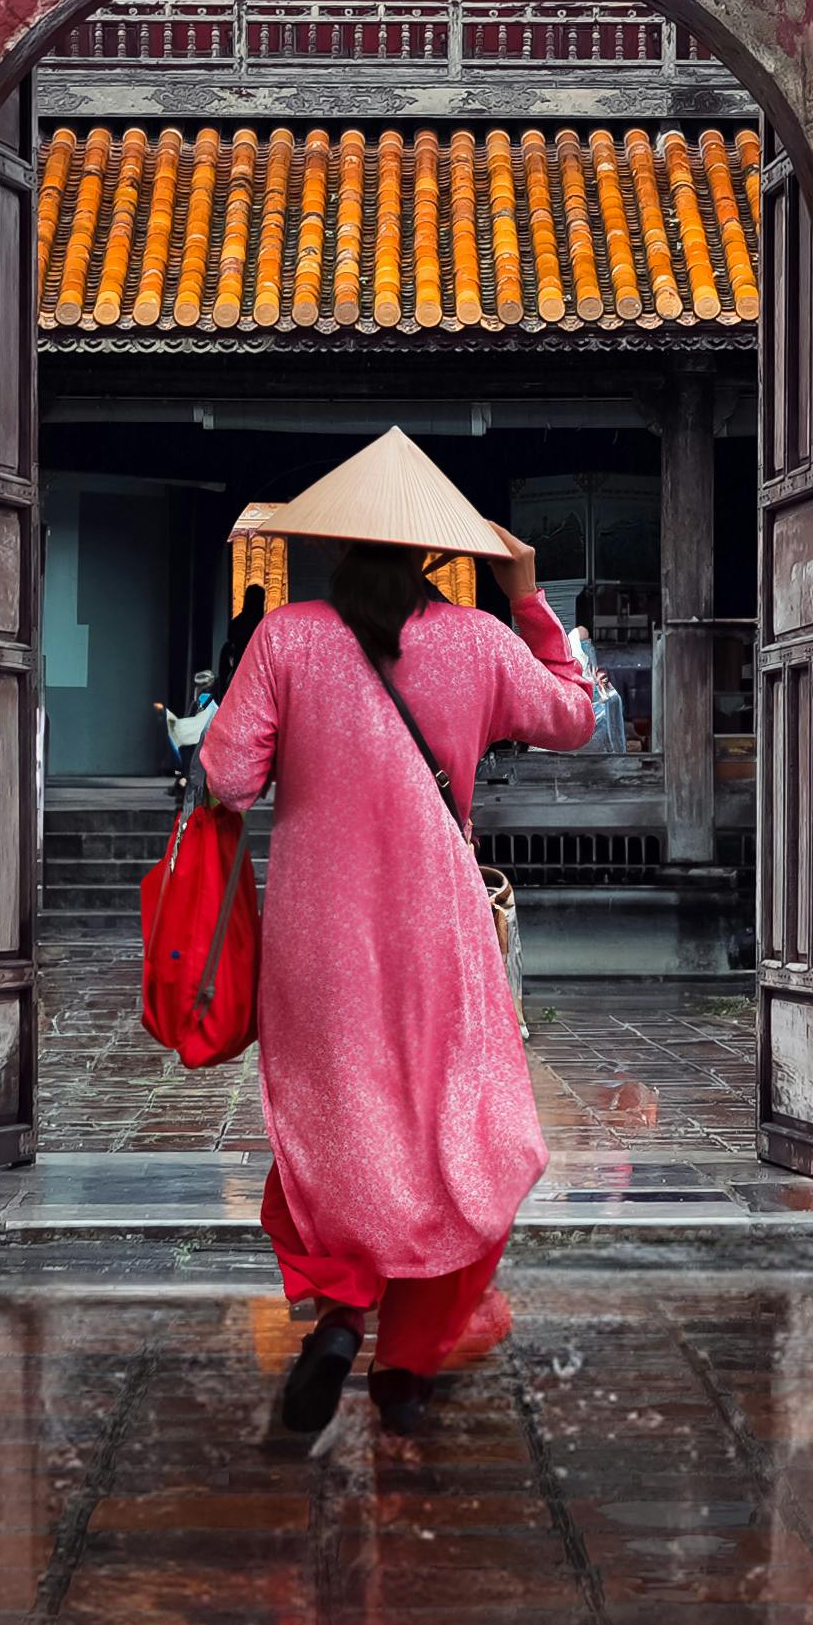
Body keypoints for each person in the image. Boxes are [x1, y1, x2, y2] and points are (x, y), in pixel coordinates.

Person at [193, 431, 605, 1453]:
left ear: (337, 544)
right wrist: (527, 598)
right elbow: (575, 717)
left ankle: (341, 1316)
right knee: (462, 1141)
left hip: (317, 947)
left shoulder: (288, 637)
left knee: (339, 1134)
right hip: (438, 938)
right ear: (433, 550)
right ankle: (407, 1366)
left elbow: (227, 778)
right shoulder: (478, 640)